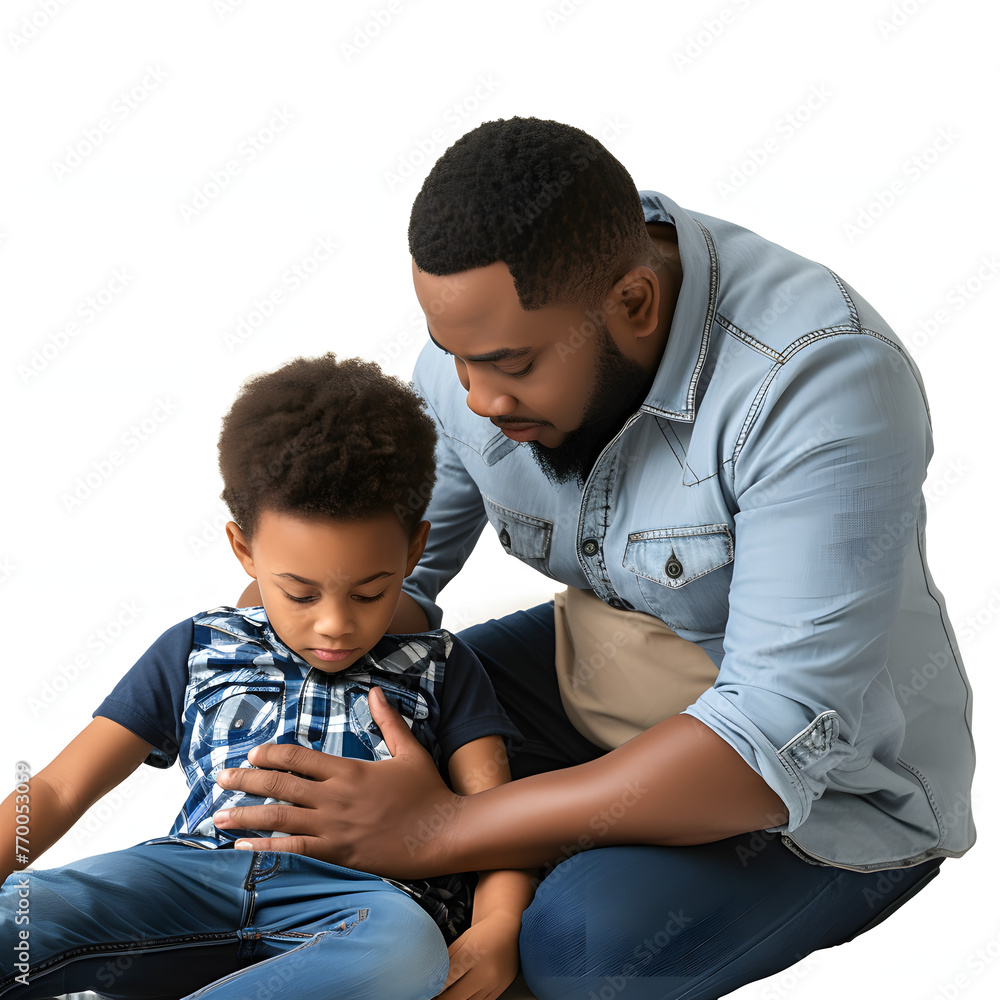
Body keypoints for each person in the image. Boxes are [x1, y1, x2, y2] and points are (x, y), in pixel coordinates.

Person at [215, 118, 976, 1000]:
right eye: (454, 358)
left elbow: (767, 741)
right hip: (600, 678)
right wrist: (285, 644)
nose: (477, 398)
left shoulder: (820, 380)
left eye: (512, 365)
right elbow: (397, 580)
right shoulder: (486, 342)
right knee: (289, 774)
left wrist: (442, 830)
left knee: (581, 945)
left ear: (636, 305)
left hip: (831, 793)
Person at [0, 354, 531, 1000]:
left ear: (413, 550)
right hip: (193, 881)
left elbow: (498, 821)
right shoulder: (197, 646)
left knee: (409, 950)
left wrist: (499, 926)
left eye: (369, 593)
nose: (334, 625)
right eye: (300, 594)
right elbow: (57, 789)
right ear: (244, 550)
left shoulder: (444, 666)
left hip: (357, 908)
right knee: (24, 907)